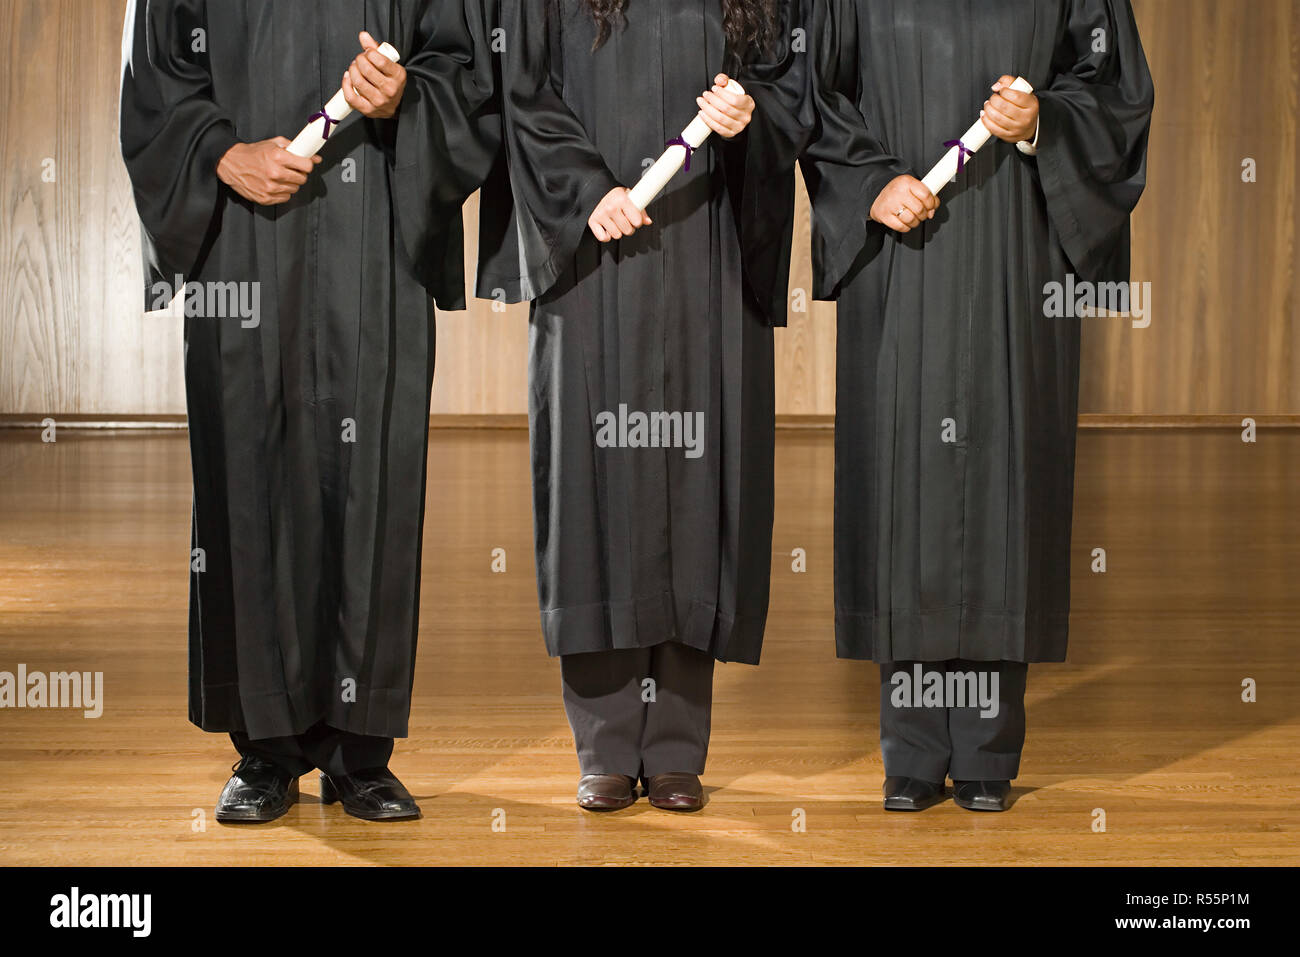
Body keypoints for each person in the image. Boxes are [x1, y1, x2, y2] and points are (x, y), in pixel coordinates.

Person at [119, 0, 499, 822]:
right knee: (250, 476)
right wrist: (221, 156)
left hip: (377, 240)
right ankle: (264, 748)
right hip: (246, 239)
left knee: (373, 486)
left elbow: (464, 69)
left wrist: (404, 96)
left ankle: (361, 751)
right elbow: (157, 80)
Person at [797, 0, 1154, 811]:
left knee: (1004, 491)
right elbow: (819, 91)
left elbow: (1115, 88)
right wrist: (872, 182)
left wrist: (1042, 123)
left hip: (1016, 255)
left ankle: (989, 751)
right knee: (904, 495)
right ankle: (912, 750)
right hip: (901, 255)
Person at [476, 0, 799, 812]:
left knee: (700, 483)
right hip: (591, 251)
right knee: (596, 487)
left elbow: (791, 79)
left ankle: (679, 746)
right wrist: (585, 189)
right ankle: (605, 744)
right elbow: (523, 86)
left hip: (706, 250)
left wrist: (748, 114)